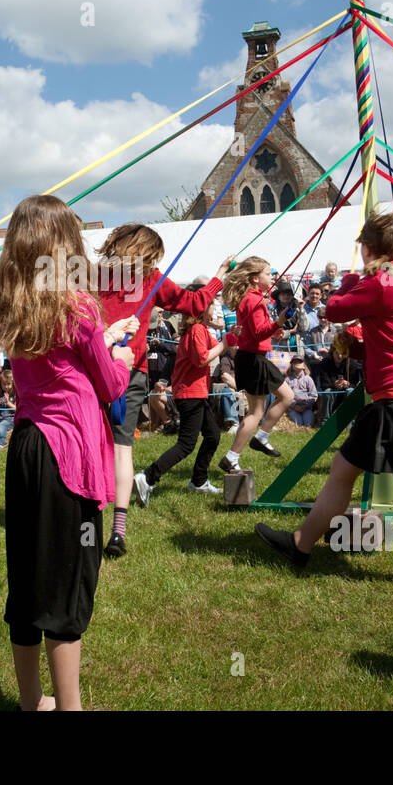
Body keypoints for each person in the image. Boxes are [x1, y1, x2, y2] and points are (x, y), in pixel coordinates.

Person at [255, 212, 393, 592]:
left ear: (367, 247)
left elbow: (335, 308)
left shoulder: (383, 280)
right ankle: (300, 545)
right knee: (343, 470)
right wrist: (357, 345)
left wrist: (347, 281)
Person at [0, 194, 134, 711]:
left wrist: (103, 339)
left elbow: (62, 360)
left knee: (27, 579)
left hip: (27, 447)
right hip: (68, 455)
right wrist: (124, 354)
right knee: (66, 585)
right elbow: (111, 385)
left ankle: (32, 702)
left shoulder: (8, 303)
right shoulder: (77, 307)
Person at [96, 223, 228, 557]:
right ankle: (117, 533)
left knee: (94, 445)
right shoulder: (151, 278)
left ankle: (84, 523)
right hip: (129, 370)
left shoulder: (94, 276)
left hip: (95, 366)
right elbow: (195, 302)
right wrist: (219, 277)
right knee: (122, 449)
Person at [134, 282, 231, 504]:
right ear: (200, 308)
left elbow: (220, 346)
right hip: (190, 395)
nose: (214, 308)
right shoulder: (197, 330)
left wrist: (234, 337)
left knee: (213, 435)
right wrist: (226, 343)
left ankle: (198, 481)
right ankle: (147, 477)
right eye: (211, 304)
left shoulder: (201, 330)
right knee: (186, 444)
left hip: (196, 394)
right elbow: (202, 359)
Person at [218, 257, 292, 475]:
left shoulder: (253, 297)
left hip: (250, 357)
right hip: (253, 359)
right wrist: (277, 323)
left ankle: (241, 450)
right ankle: (254, 441)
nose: (272, 277)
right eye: (268, 274)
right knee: (262, 410)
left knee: (265, 406)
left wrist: (274, 328)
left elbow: (256, 330)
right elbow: (260, 332)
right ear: (255, 278)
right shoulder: (255, 300)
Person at [284, 356, 318, 427]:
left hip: (306, 408)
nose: (297, 363)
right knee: (298, 424)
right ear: (292, 366)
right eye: (294, 362)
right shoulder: (287, 380)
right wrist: (294, 406)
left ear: (304, 366)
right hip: (293, 408)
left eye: (299, 362)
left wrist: (305, 406)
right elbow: (285, 395)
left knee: (308, 424)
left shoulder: (308, 379)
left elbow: (314, 395)